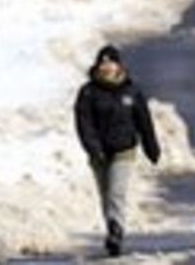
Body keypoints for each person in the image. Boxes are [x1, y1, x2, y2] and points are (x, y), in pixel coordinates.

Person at [75, 45, 161, 257]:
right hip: (99, 153)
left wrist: (152, 148)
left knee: (116, 192)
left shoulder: (131, 91)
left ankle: (116, 231)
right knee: (105, 195)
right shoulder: (88, 92)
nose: (107, 67)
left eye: (111, 63)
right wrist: (93, 149)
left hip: (124, 150)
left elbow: (144, 121)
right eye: (103, 63)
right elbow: (83, 123)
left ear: (119, 65)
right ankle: (112, 228)